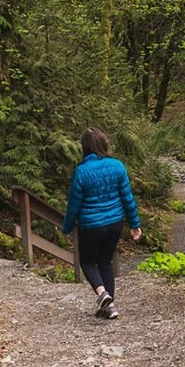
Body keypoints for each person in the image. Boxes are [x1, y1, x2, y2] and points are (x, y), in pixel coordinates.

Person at [60, 127, 142, 319]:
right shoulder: (118, 166)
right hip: (115, 223)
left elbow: (74, 205)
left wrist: (66, 226)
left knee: (87, 262)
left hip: (91, 225)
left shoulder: (81, 172)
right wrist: (135, 224)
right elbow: (127, 198)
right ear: (104, 144)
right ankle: (110, 307)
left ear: (85, 147)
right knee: (105, 262)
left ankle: (102, 294)